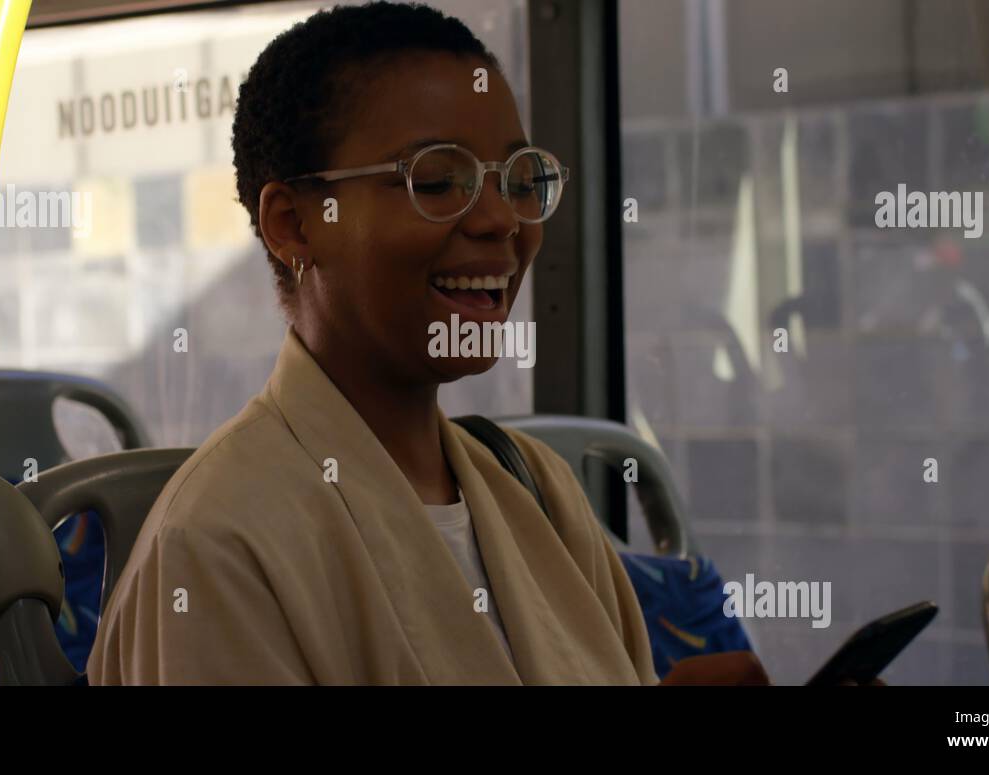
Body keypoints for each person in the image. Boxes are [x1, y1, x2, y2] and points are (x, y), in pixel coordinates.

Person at [88, 1, 767, 686]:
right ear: (294, 225)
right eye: (439, 181)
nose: (503, 219)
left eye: (517, 180)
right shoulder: (216, 546)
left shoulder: (537, 490)